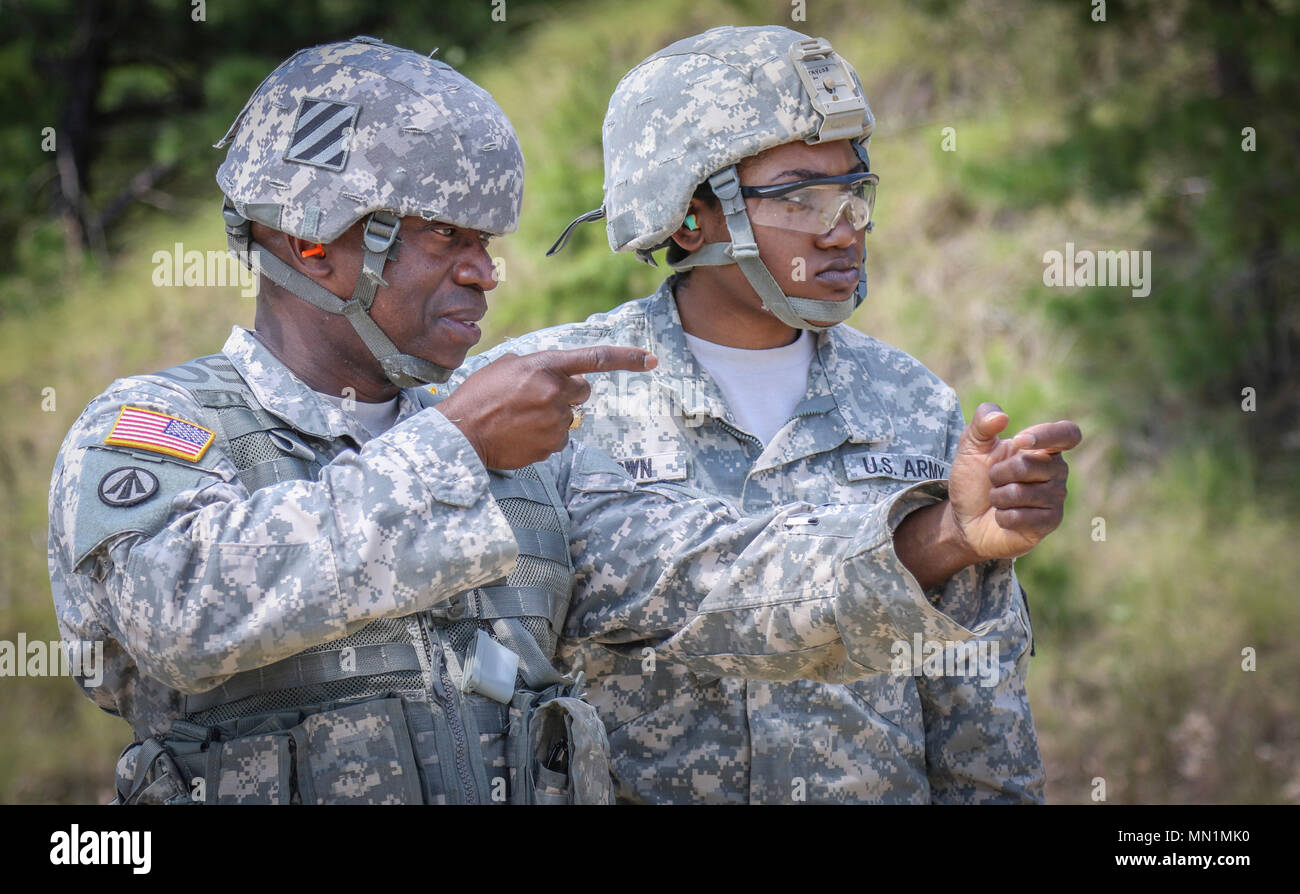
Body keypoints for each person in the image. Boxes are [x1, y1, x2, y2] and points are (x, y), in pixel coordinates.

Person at [47, 36, 1015, 805]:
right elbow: (180, 614)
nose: (482, 270)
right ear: (314, 240)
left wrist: (937, 540)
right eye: (442, 236)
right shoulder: (157, 429)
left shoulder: (529, 470)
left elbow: (719, 583)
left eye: (485, 241)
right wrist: (452, 447)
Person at [456, 25, 1081, 803]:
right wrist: (937, 535)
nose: (844, 227)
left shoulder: (913, 400)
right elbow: (483, 701)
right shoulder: (549, 397)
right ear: (688, 218)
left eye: (856, 191)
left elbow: (977, 706)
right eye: (802, 198)